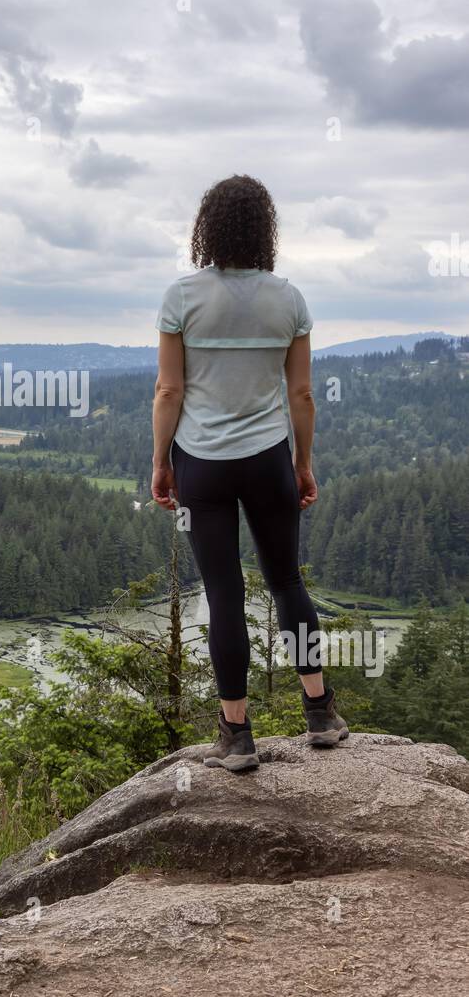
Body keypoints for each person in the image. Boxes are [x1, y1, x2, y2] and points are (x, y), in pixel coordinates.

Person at [151, 174, 348, 771]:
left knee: (224, 595)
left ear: (207, 227)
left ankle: (236, 737)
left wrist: (162, 462)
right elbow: (303, 394)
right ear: (266, 229)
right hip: (268, 461)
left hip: (202, 465)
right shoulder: (289, 300)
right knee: (287, 582)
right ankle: (321, 713)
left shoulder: (182, 297)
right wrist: (303, 464)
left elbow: (169, 389)